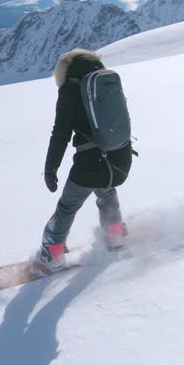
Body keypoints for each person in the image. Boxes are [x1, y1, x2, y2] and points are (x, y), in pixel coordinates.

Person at [36, 48, 133, 273]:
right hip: (119, 159)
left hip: (90, 164)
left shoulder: (70, 90)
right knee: (107, 195)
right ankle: (115, 235)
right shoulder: (108, 84)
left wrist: (51, 169)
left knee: (67, 206)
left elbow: (60, 134)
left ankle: (53, 254)